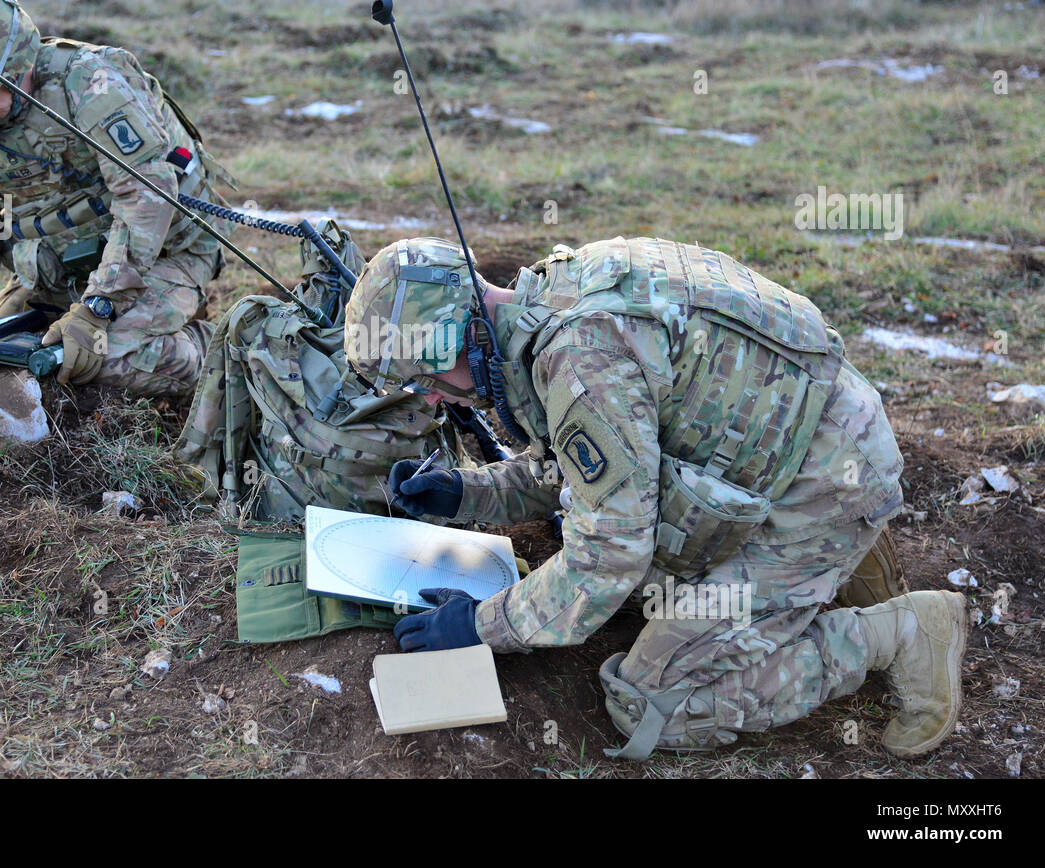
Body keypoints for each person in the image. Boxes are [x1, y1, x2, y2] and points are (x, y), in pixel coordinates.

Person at [344, 235, 967, 760]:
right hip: (783, 458)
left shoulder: (580, 361)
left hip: (817, 491)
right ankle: (829, 567)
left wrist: (482, 624)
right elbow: (593, 469)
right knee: (641, 590)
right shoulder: (546, 301)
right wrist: (466, 495)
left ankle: (901, 631)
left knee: (653, 708)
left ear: (460, 335)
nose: (429, 398)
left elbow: (609, 556)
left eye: (425, 378)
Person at [0, 0, 232, 397]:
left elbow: (146, 198)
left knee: (101, 360)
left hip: (167, 254)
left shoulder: (93, 85)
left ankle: (229, 351)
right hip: (63, 272)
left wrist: (99, 307)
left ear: (14, 67)